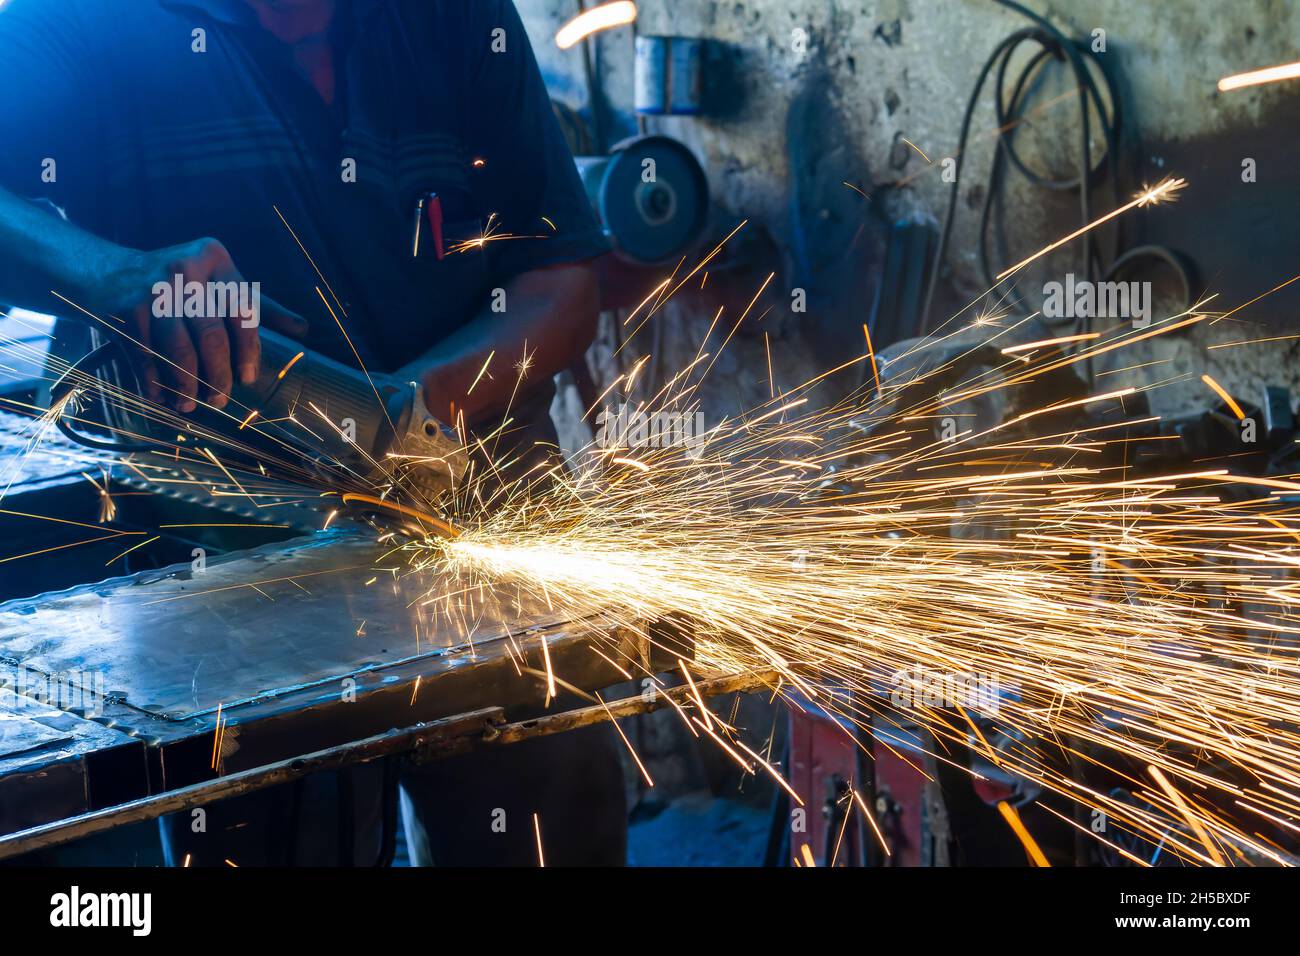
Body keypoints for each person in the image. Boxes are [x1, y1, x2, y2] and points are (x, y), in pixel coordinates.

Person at [0, 0, 626, 865]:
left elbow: (559, 286)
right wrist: (107, 273)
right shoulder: (82, 20)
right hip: (228, 571)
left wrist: (407, 412)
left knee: (538, 831)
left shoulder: (460, 19)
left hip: (492, 532)